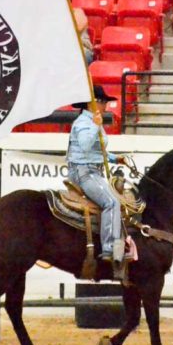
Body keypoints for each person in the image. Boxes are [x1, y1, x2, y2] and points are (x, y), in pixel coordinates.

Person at [67, 85, 126, 263]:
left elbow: (95, 150)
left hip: (91, 169)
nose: (106, 105)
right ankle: (110, 249)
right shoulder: (85, 123)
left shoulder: (92, 120)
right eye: (103, 102)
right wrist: (96, 126)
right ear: (93, 103)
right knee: (111, 202)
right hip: (84, 172)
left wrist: (115, 158)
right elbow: (85, 145)